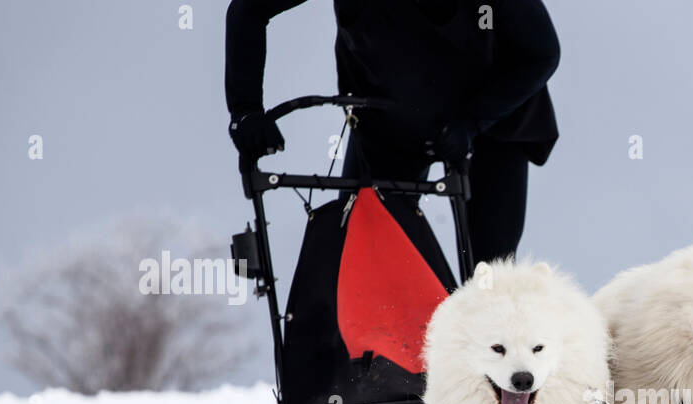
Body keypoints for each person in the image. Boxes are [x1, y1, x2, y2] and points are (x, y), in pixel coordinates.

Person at [225, 0, 560, 264]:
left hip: (494, 119)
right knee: (363, 254)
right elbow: (249, 9)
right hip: (388, 121)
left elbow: (542, 53)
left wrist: (472, 121)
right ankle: (378, 347)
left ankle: (488, 334)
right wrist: (245, 112)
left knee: (490, 269)